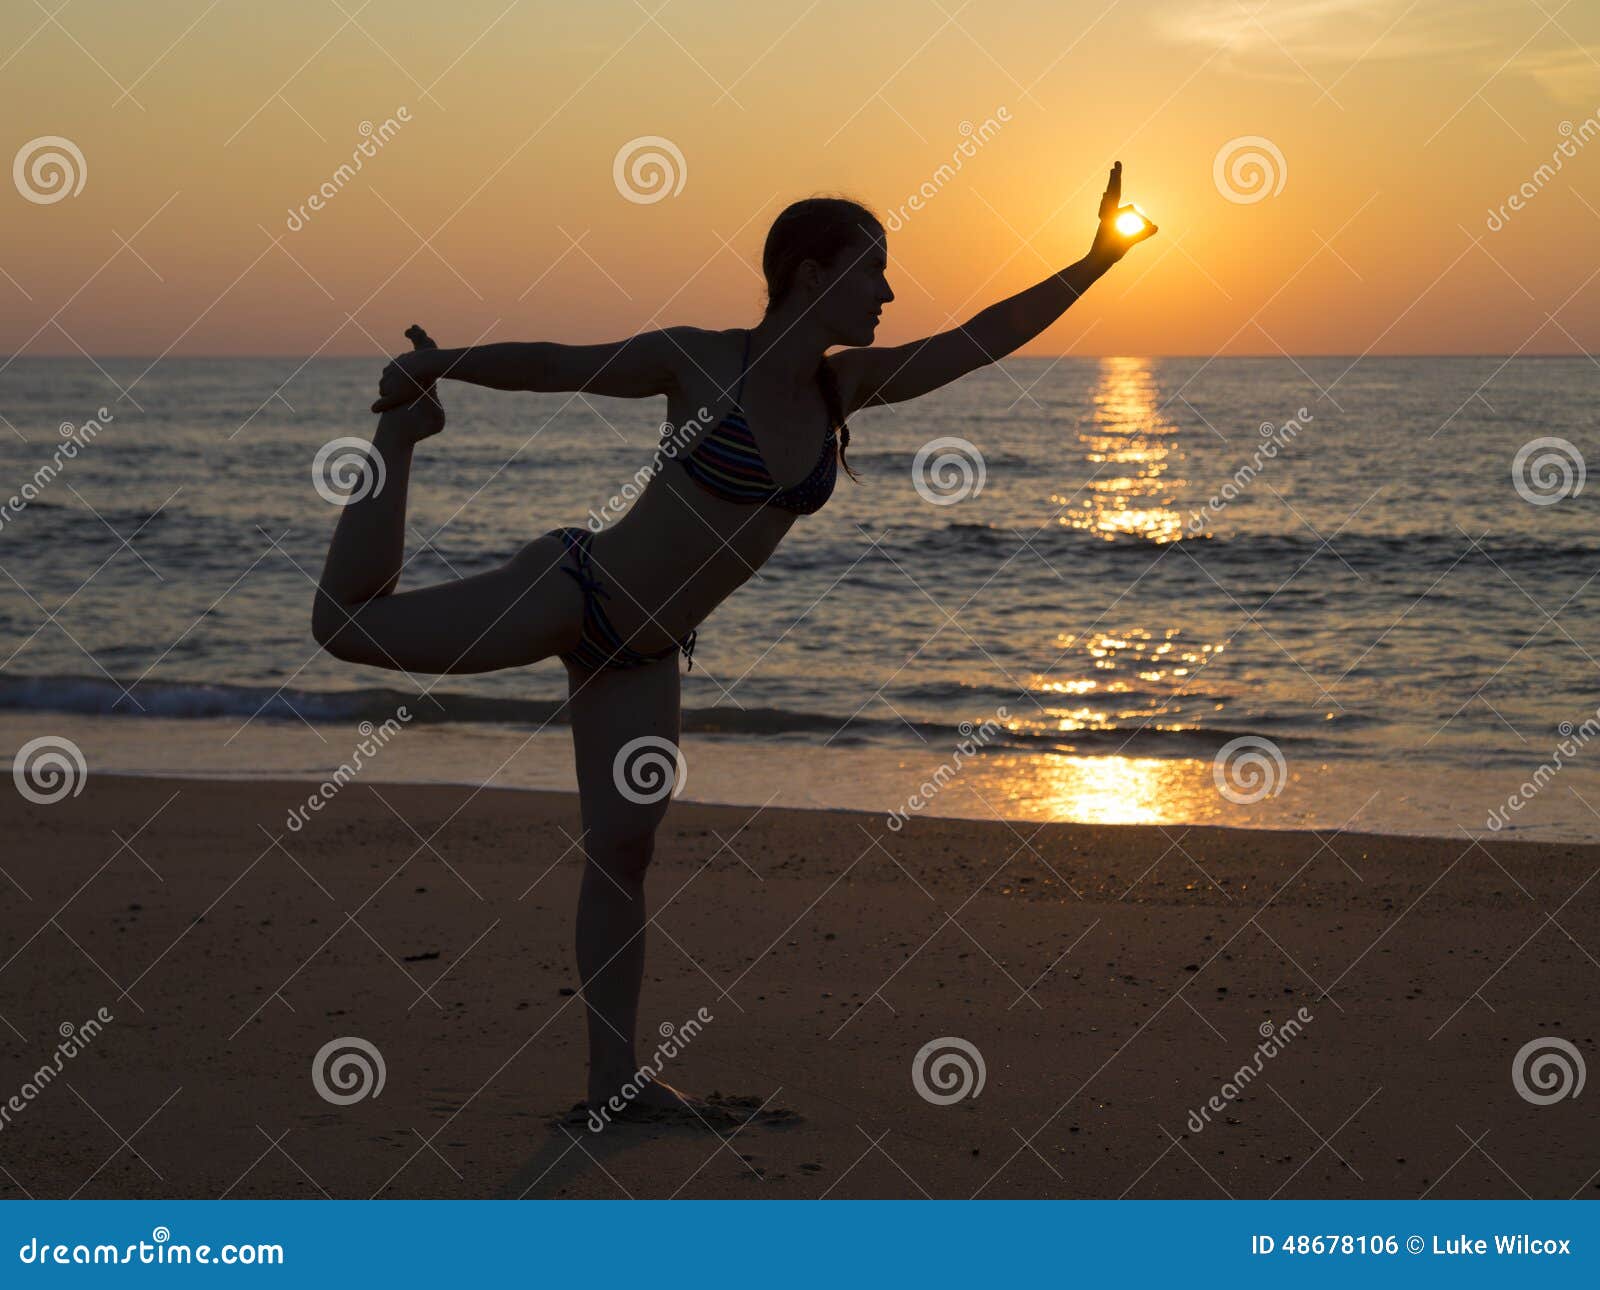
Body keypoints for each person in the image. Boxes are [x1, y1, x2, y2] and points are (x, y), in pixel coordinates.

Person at [312, 162, 1156, 1120]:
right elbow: (559, 363)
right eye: (871, 270)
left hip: (643, 655)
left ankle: (613, 1085)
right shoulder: (700, 362)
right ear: (807, 274)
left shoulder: (848, 389)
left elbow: (978, 341)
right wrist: (439, 365)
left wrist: (1092, 264)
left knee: (622, 855)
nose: (888, 293)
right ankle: (400, 443)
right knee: (345, 625)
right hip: (571, 592)